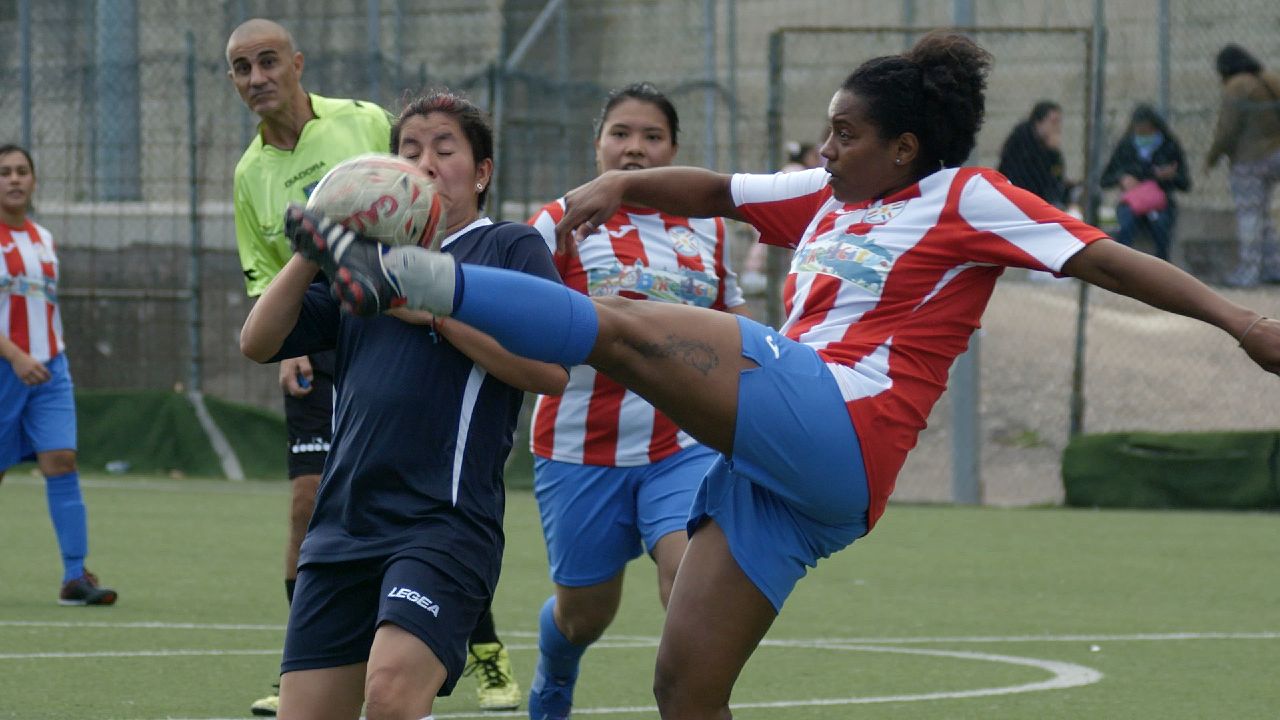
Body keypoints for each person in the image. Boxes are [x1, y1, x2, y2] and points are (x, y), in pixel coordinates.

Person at [301, 31, 1280, 720]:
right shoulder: (825, 193)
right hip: (791, 484)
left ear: (903, 147)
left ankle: (401, 275)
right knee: (684, 691)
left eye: (844, 134)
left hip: (843, 418)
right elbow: (716, 190)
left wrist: (1236, 320)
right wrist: (624, 185)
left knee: (621, 332)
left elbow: (1104, 256)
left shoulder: (964, 196)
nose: (824, 148)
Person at [241, 91, 567, 720]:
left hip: (439, 522)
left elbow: (551, 371)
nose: (425, 162)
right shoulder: (361, 264)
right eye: (408, 151)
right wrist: (313, 248)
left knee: (390, 697)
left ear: (481, 172)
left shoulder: (507, 247)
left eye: (444, 150)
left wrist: (433, 313)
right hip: (342, 525)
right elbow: (259, 341)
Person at [524, 82, 748, 719]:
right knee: (583, 616)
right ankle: (554, 676)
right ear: (597, 145)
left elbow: (731, 322)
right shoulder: (557, 220)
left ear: (674, 149)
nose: (635, 149)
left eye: (652, 137)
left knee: (688, 582)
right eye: (620, 133)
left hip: (683, 445)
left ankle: (691, 704)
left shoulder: (708, 229)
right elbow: (521, 316)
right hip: (578, 450)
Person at [0, 144, 118, 607]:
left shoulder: (44, 239)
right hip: (8, 367)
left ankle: (74, 577)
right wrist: (14, 355)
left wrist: (47, 357)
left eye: (22, 171)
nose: (14, 179)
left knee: (62, 460)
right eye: (4, 172)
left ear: (33, 180)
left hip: (50, 370)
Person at [1206, 43, 1280, 287]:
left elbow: (1227, 129)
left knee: (1250, 214)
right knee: (1264, 215)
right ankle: (1273, 268)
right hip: (1276, 154)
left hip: (1250, 160)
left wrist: (1212, 158)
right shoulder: (1270, 79)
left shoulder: (1237, 86)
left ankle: (1248, 273)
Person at [1100, 103, 1191, 262]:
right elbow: (1105, 179)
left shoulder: (1169, 146)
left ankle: (1162, 268)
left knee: (1160, 224)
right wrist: (1122, 179)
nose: (1143, 136)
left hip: (1159, 202)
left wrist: (1169, 176)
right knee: (1125, 224)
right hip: (1132, 201)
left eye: (1147, 131)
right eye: (1140, 132)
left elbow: (1185, 183)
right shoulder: (1126, 146)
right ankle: (1119, 264)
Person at [997, 100, 1074, 208]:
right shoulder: (1022, 139)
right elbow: (1032, 177)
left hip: (1043, 197)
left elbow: (1056, 178)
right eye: (1053, 122)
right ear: (1039, 122)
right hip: (1018, 196)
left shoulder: (1049, 145)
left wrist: (1054, 153)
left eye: (1059, 122)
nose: (1057, 127)